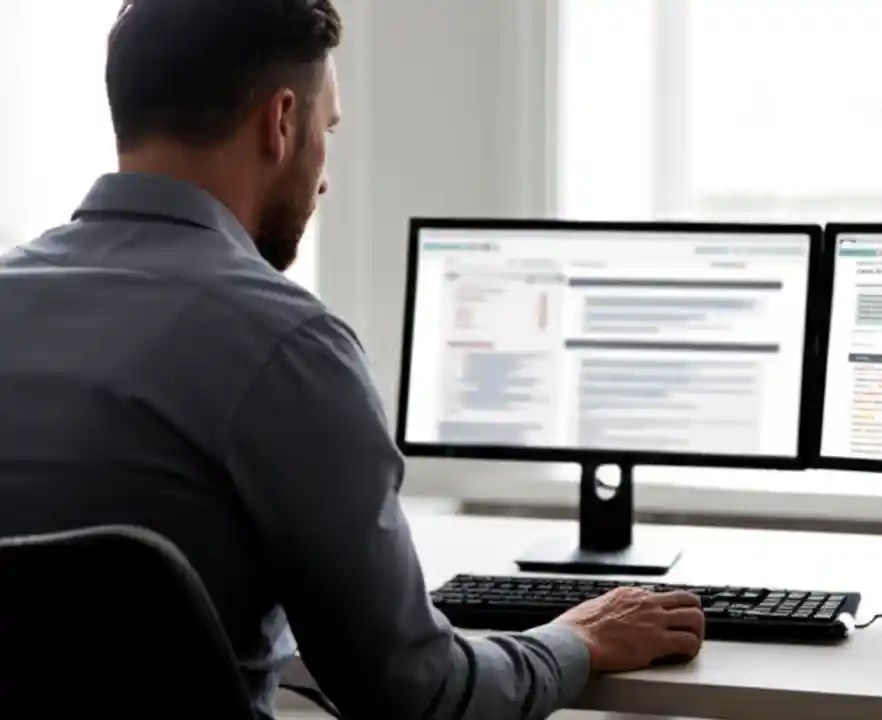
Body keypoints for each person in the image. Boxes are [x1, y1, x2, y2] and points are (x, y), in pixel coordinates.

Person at [0, 1, 704, 718]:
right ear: (281, 122)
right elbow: (418, 698)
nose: (325, 174)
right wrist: (574, 641)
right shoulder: (285, 343)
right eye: (326, 129)